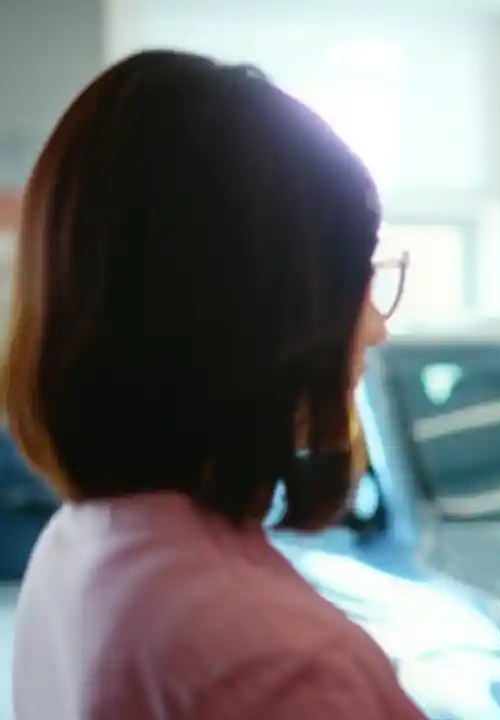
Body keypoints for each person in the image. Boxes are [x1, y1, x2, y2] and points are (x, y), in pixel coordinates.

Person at [5, 51, 425, 719]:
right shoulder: (274, 663)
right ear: (260, 309)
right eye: (357, 281)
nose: (374, 329)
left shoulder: (84, 541)